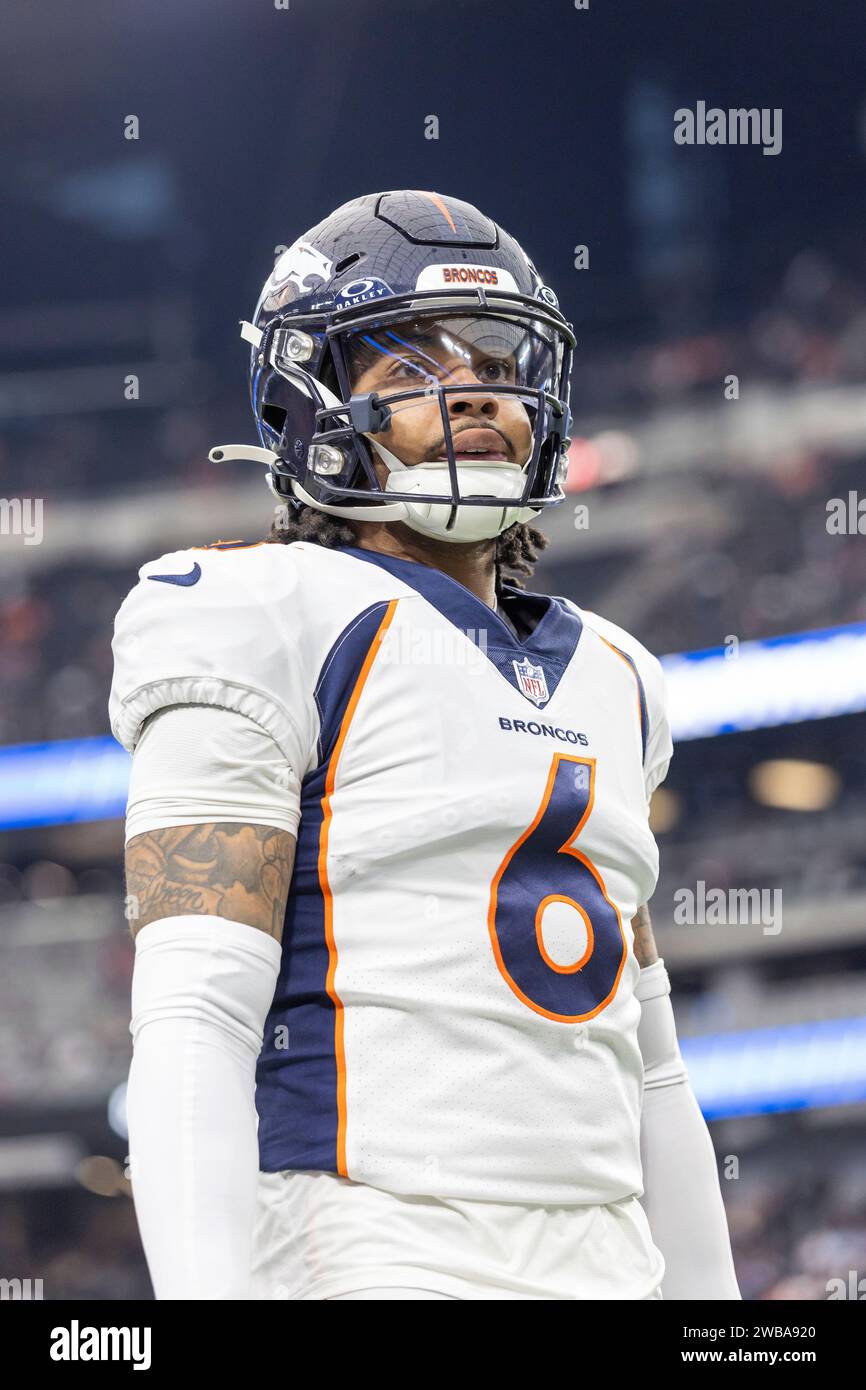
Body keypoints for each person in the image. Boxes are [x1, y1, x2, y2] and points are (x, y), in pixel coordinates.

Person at [109, 189, 740, 1300]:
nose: (476, 394)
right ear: (309, 403)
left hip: (608, 1266)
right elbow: (195, 1012)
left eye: (498, 364)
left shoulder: (620, 677)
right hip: (370, 1254)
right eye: (408, 370)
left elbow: (651, 1070)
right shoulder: (255, 613)